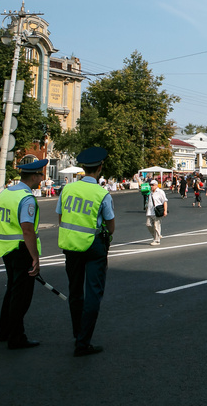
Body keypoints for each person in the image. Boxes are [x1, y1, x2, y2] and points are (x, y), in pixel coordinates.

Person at [57, 147, 115, 357]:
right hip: (94, 246)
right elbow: (110, 224)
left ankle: (77, 332)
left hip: (71, 246)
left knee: (75, 291)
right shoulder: (102, 193)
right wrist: (106, 239)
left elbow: (61, 217)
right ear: (99, 168)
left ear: (82, 168)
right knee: (93, 293)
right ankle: (83, 341)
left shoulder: (68, 190)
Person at [0, 158, 47, 349]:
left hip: (6, 249)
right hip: (21, 249)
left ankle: (5, 331)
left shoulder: (5, 193)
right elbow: (27, 229)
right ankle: (16, 337)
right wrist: (35, 257)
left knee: (11, 289)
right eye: (40, 175)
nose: (41, 179)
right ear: (34, 176)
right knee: (21, 296)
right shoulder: (27, 198)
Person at [146, 179, 168, 245]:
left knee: (156, 226)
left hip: (157, 211)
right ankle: (157, 236)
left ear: (156, 185)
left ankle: (157, 241)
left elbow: (165, 201)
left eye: (152, 185)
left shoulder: (160, 192)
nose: (151, 186)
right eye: (150, 185)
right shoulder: (150, 192)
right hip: (150, 211)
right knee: (148, 224)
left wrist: (165, 210)